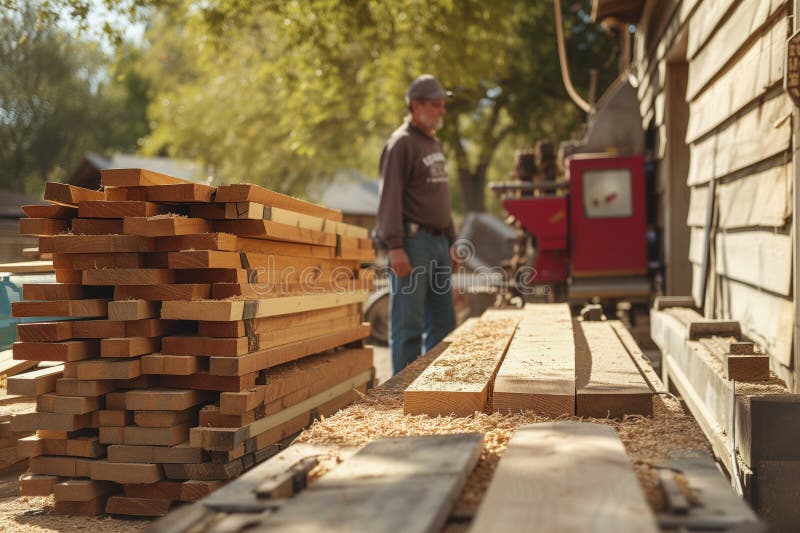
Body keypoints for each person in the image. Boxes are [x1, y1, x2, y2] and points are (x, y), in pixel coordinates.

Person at [377, 74, 457, 374]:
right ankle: (401, 392)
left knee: (444, 323)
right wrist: (395, 246)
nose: (441, 111)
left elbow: (441, 198)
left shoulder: (431, 143)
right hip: (412, 245)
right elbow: (390, 198)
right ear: (416, 105)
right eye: (436, 105)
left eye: (442, 105)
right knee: (408, 325)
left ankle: (432, 389)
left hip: (437, 244)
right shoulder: (402, 144)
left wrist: (452, 241)